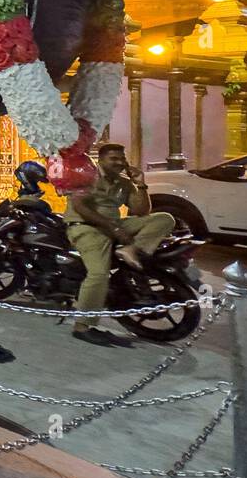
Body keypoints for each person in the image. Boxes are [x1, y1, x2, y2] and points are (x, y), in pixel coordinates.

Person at [64, 142, 175, 347]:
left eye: (122, 158)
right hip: (87, 227)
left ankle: (132, 250)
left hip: (116, 224)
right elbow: (80, 207)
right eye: (113, 158)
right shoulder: (86, 177)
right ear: (101, 160)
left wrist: (140, 183)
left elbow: (141, 211)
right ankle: (82, 326)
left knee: (165, 218)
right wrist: (113, 229)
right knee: (98, 274)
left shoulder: (124, 183)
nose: (119, 162)